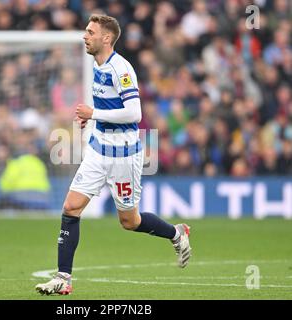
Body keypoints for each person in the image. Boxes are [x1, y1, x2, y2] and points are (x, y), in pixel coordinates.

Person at [35, 14, 192, 296]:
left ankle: (176, 233)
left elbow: (135, 113)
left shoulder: (121, 68)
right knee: (71, 208)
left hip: (124, 157)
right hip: (98, 150)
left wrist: (93, 113)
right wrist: (94, 121)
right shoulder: (97, 65)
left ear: (106, 38)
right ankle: (63, 278)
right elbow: (112, 108)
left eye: (90, 32)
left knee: (129, 222)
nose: (85, 36)